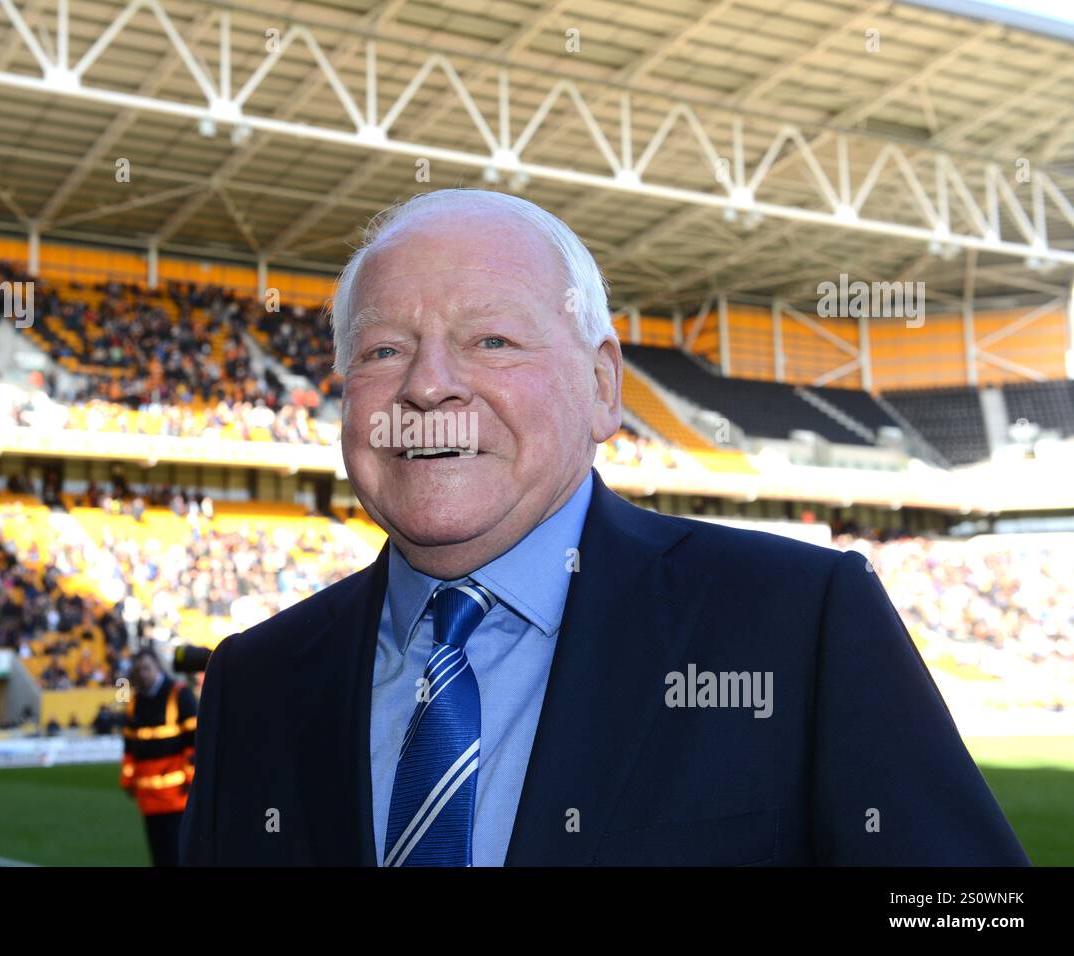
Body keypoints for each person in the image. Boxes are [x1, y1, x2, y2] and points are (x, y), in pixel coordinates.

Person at [179, 188, 1028, 867]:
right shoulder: (256, 682)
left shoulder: (799, 624)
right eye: (382, 352)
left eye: (492, 339)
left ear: (602, 387)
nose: (429, 387)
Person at [121, 648, 197, 867]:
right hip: (148, 799)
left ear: (158, 667)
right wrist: (127, 780)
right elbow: (129, 747)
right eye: (139, 669)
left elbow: (194, 741)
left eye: (147, 668)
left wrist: (191, 779)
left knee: (178, 856)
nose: (143, 674)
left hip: (176, 798)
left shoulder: (179, 694)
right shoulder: (135, 702)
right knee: (159, 857)